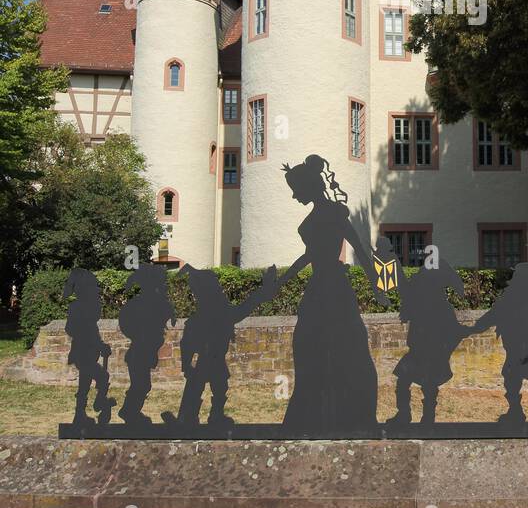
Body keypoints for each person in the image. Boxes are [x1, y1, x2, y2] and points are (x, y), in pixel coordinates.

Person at [275, 156, 390, 437]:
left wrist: (378, 287)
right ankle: (330, 414)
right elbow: (315, 256)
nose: (294, 195)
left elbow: (360, 253)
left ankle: (334, 414)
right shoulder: (327, 215)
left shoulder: (333, 215)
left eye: (296, 189)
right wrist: (282, 280)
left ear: (308, 186)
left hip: (328, 289)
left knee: (330, 348)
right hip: (329, 288)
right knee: (327, 348)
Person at [164, 265, 280, 431]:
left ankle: (207, 416)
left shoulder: (211, 312)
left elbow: (187, 343)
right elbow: (187, 343)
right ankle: (194, 417)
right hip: (209, 357)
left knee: (213, 387)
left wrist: (263, 291)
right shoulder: (212, 313)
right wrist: (186, 363)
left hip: (213, 357)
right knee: (201, 387)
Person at [382, 241, 467, 430]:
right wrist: (393, 261)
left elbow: (457, 287)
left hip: (432, 350)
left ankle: (427, 418)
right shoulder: (422, 288)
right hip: (418, 348)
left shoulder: (441, 306)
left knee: (428, 385)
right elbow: (406, 291)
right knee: (404, 380)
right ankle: (404, 414)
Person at [468, 261, 528, 429]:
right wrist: (468, 330)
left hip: (527, 355)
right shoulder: (507, 304)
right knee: (512, 383)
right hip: (514, 354)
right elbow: (486, 320)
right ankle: (516, 412)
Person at [117, 265, 175, 426]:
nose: (164, 286)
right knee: (142, 385)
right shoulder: (148, 303)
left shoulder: (154, 302)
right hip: (139, 352)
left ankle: (130, 412)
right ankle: (129, 411)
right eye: (162, 283)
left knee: (142, 384)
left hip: (142, 351)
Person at [63, 269, 114, 432]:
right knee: (102, 376)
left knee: (84, 386)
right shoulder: (78, 308)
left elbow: (93, 332)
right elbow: (72, 329)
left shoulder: (85, 308)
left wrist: (100, 345)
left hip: (88, 353)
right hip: (82, 353)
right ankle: (99, 402)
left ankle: (79, 415)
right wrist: (97, 344)